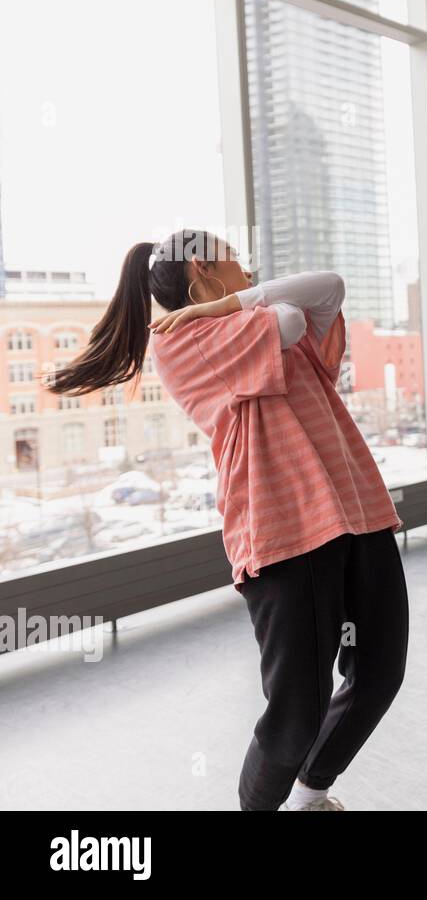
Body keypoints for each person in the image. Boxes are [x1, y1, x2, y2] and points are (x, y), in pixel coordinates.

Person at [46, 231, 408, 810]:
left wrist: (230, 299)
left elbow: (329, 288)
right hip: (282, 528)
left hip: (357, 509)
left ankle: (311, 794)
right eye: (236, 260)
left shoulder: (237, 314)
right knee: (296, 712)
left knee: (380, 671)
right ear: (201, 267)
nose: (249, 268)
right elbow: (291, 319)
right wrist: (233, 306)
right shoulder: (181, 339)